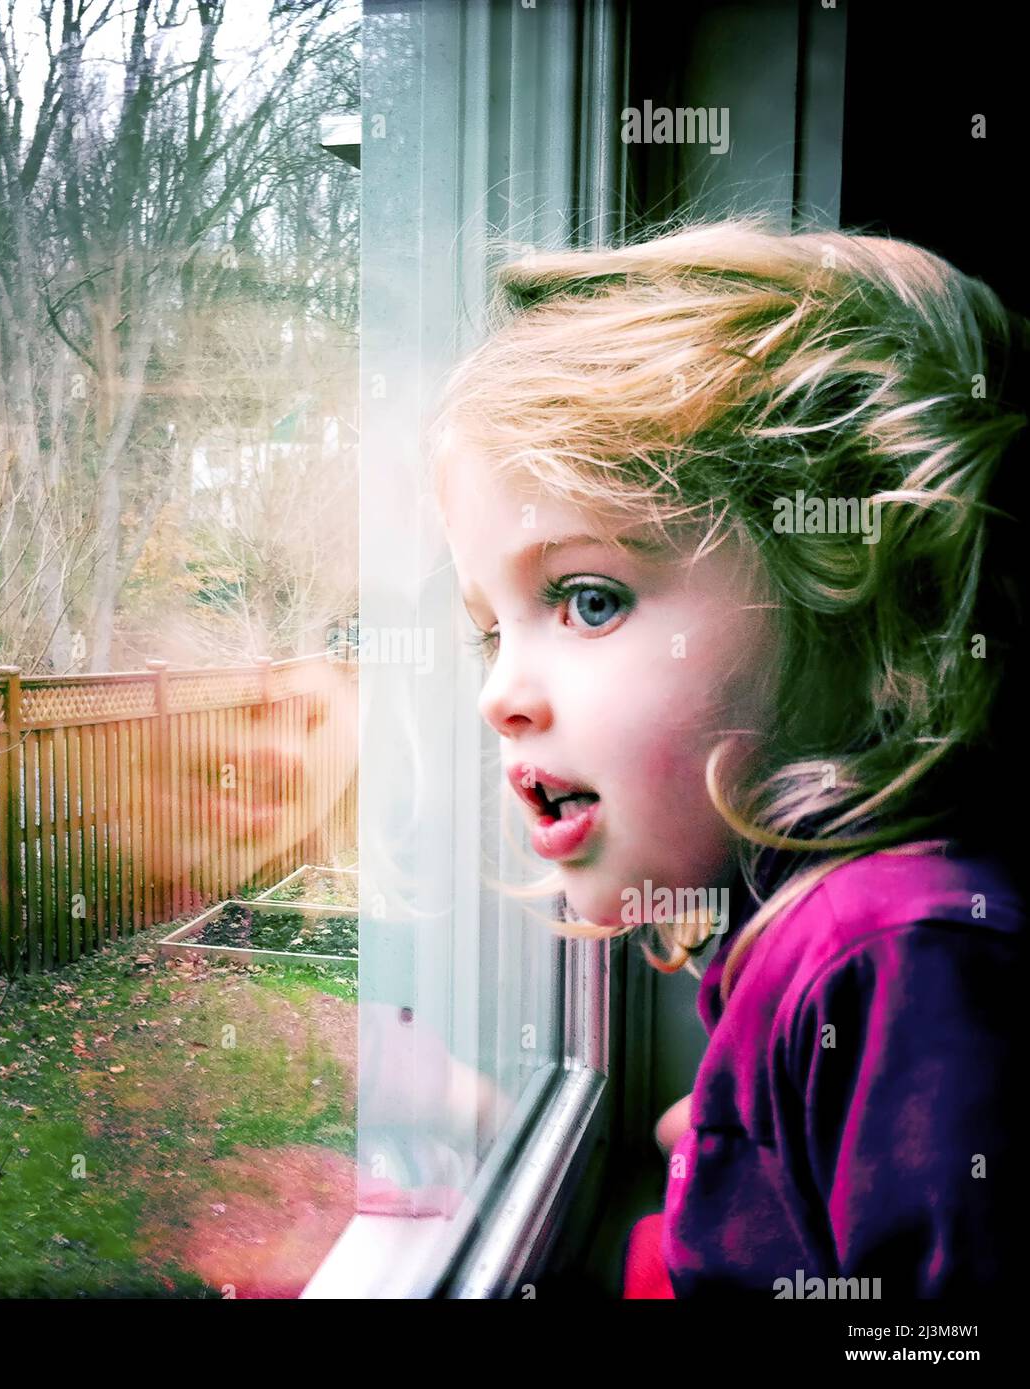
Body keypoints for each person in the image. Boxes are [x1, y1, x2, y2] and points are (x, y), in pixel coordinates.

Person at [431, 218, 1026, 1298]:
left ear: (852, 592)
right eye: (491, 627)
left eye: (589, 600)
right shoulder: (818, 946)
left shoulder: (893, 953)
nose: (499, 695)